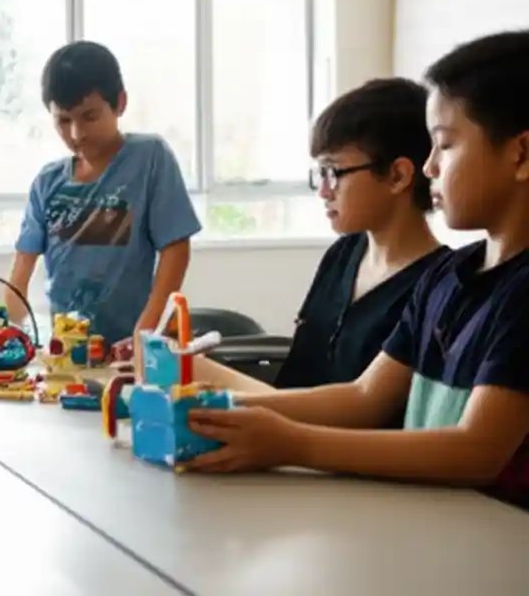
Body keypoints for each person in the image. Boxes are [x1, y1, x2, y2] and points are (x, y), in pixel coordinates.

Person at [186, 31, 529, 509]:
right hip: (426, 522)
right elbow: (367, 396)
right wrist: (212, 409)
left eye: (445, 146)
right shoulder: (445, 279)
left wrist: (293, 442)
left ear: (521, 154)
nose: (429, 167)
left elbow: (476, 450)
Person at [5, 41, 200, 352]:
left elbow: (176, 250)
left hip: (129, 350)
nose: (77, 134)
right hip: (67, 352)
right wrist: (18, 336)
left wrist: (145, 333)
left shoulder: (149, 159)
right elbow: (18, 279)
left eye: (90, 116)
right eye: (64, 120)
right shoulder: (47, 182)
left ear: (120, 103)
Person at [273, 78, 450, 389]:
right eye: (320, 173)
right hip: (276, 425)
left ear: (398, 175)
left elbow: (366, 408)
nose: (324, 191)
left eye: (334, 172)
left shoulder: (436, 286)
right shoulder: (344, 253)